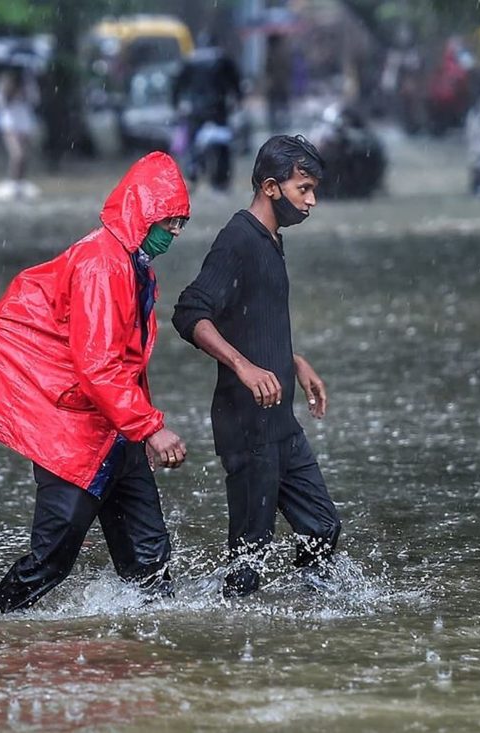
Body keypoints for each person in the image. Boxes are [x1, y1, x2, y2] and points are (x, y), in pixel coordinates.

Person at [0, 152, 192, 613]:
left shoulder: (130, 264)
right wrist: (151, 428)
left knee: (150, 566)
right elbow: (98, 366)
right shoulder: (104, 265)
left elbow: (127, 361)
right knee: (51, 562)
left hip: (117, 433)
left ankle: (149, 660)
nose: (176, 232)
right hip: (77, 439)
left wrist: (140, 428)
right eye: (171, 221)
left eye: (181, 221)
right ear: (143, 215)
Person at [172, 135, 342, 598]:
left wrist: (293, 360)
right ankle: (234, 643)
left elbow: (250, 318)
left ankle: (308, 617)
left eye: (313, 190)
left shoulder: (270, 240)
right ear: (270, 187)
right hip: (246, 424)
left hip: (280, 421)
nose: (311, 201)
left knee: (323, 527)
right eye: (303, 189)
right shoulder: (238, 239)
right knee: (250, 554)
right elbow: (190, 313)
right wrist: (244, 368)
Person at [171, 36, 242, 186]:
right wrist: (237, 99)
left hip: (196, 108)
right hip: (218, 107)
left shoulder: (190, 60)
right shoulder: (222, 59)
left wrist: (176, 103)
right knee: (222, 142)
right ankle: (221, 178)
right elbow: (235, 82)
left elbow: (177, 84)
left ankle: (194, 171)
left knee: (194, 142)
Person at [0, 66, 40, 200]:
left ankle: (20, 183)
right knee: (17, 154)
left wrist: (23, 93)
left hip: (25, 124)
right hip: (8, 124)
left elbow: (35, 99)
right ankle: (12, 183)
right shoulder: (1, 82)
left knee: (24, 157)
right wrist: (8, 93)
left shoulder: (28, 82)